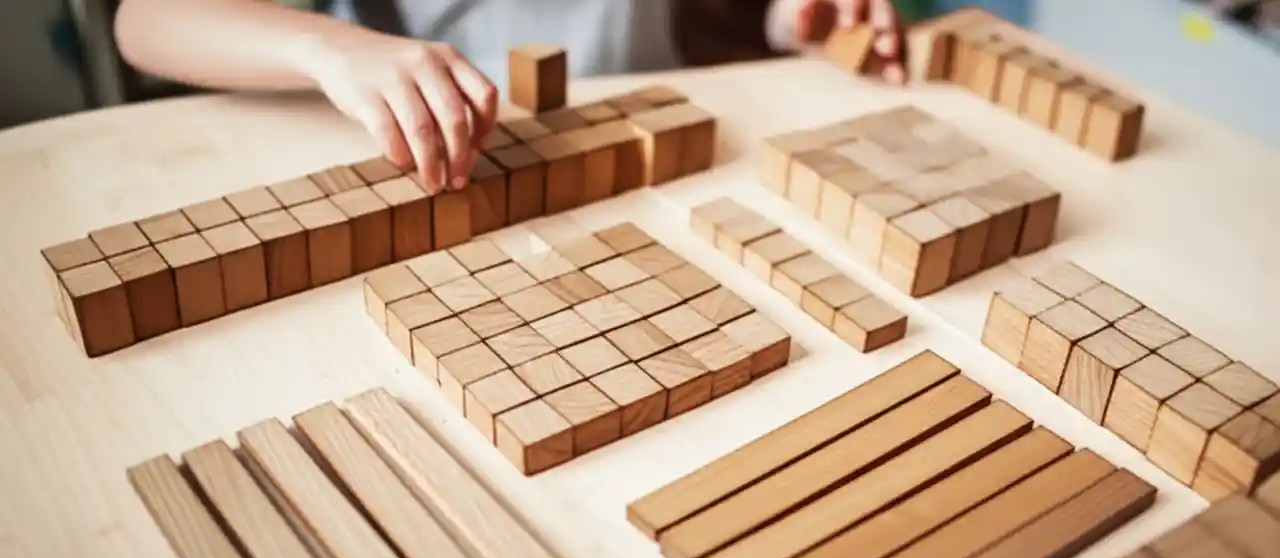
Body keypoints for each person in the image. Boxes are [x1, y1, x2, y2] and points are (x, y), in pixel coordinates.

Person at [113, 0, 904, 192]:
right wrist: (325, 47)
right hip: (451, 169)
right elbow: (146, 18)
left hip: (655, 169)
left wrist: (798, 19)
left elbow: (698, 15)